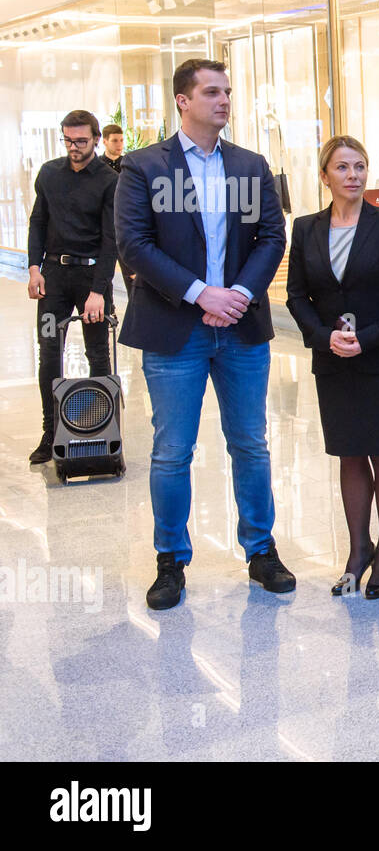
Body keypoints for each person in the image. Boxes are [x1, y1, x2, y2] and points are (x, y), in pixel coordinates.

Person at [115, 58, 291, 611]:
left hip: (240, 328)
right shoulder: (143, 168)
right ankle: (171, 561)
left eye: (228, 92)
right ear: (182, 101)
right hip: (174, 330)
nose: (223, 101)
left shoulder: (250, 164)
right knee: (172, 451)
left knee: (251, 443)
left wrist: (237, 294)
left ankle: (260, 552)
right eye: (211, 92)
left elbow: (271, 235)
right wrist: (200, 293)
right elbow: (135, 246)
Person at [286, 136, 379, 599]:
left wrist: (368, 337)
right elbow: (296, 296)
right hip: (332, 360)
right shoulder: (305, 229)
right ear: (324, 176)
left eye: (360, 166)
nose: (354, 176)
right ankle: (357, 549)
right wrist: (326, 338)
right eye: (342, 168)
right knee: (349, 453)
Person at [26, 109, 118, 464]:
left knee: (98, 354)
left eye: (81, 141)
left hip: (91, 280)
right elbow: (37, 222)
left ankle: (100, 427)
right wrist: (35, 269)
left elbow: (112, 240)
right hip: (54, 277)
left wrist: (99, 290)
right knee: (49, 352)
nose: (74, 147)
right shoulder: (49, 173)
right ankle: (51, 431)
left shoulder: (109, 180)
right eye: (68, 140)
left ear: (96, 139)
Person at [101, 124, 135, 302]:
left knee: (132, 275)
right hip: (104, 228)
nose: (119, 144)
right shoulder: (98, 167)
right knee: (103, 276)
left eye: (121, 140)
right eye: (115, 140)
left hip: (123, 226)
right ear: (105, 141)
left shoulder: (129, 164)